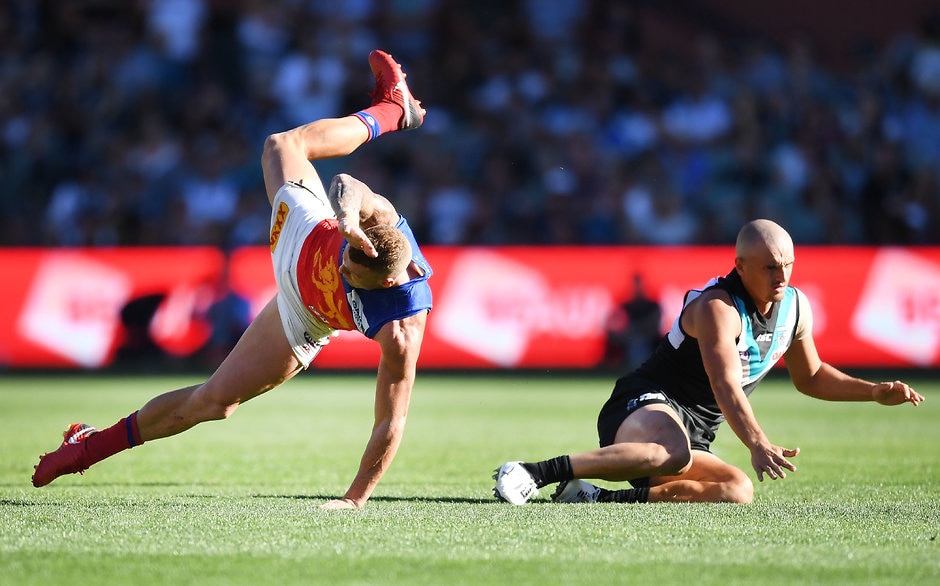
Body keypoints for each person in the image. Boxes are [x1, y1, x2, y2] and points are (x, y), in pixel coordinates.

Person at [32, 50, 432, 510]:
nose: (342, 270)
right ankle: (392, 110)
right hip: (305, 233)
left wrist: (354, 500)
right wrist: (345, 217)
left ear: (387, 285)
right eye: (347, 261)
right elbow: (347, 183)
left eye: (352, 277)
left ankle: (88, 446)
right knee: (281, 145)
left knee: (213, 403)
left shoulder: (402, 329)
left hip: (304, 316)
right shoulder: (381, 224)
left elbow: (390, 422)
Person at [493, 219, 924, 505]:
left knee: (737, 490)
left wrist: (873, 392)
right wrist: (757, 442)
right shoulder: (719, 307)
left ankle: (593, 498)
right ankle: (534, 471)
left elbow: (810, 376)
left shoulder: (796, 307)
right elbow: (724, 384)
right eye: (770, 267)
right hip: (642, 405)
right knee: (673, 451)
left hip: (691, 436)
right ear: (740, 266)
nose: (781, 277)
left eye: (788, 266)